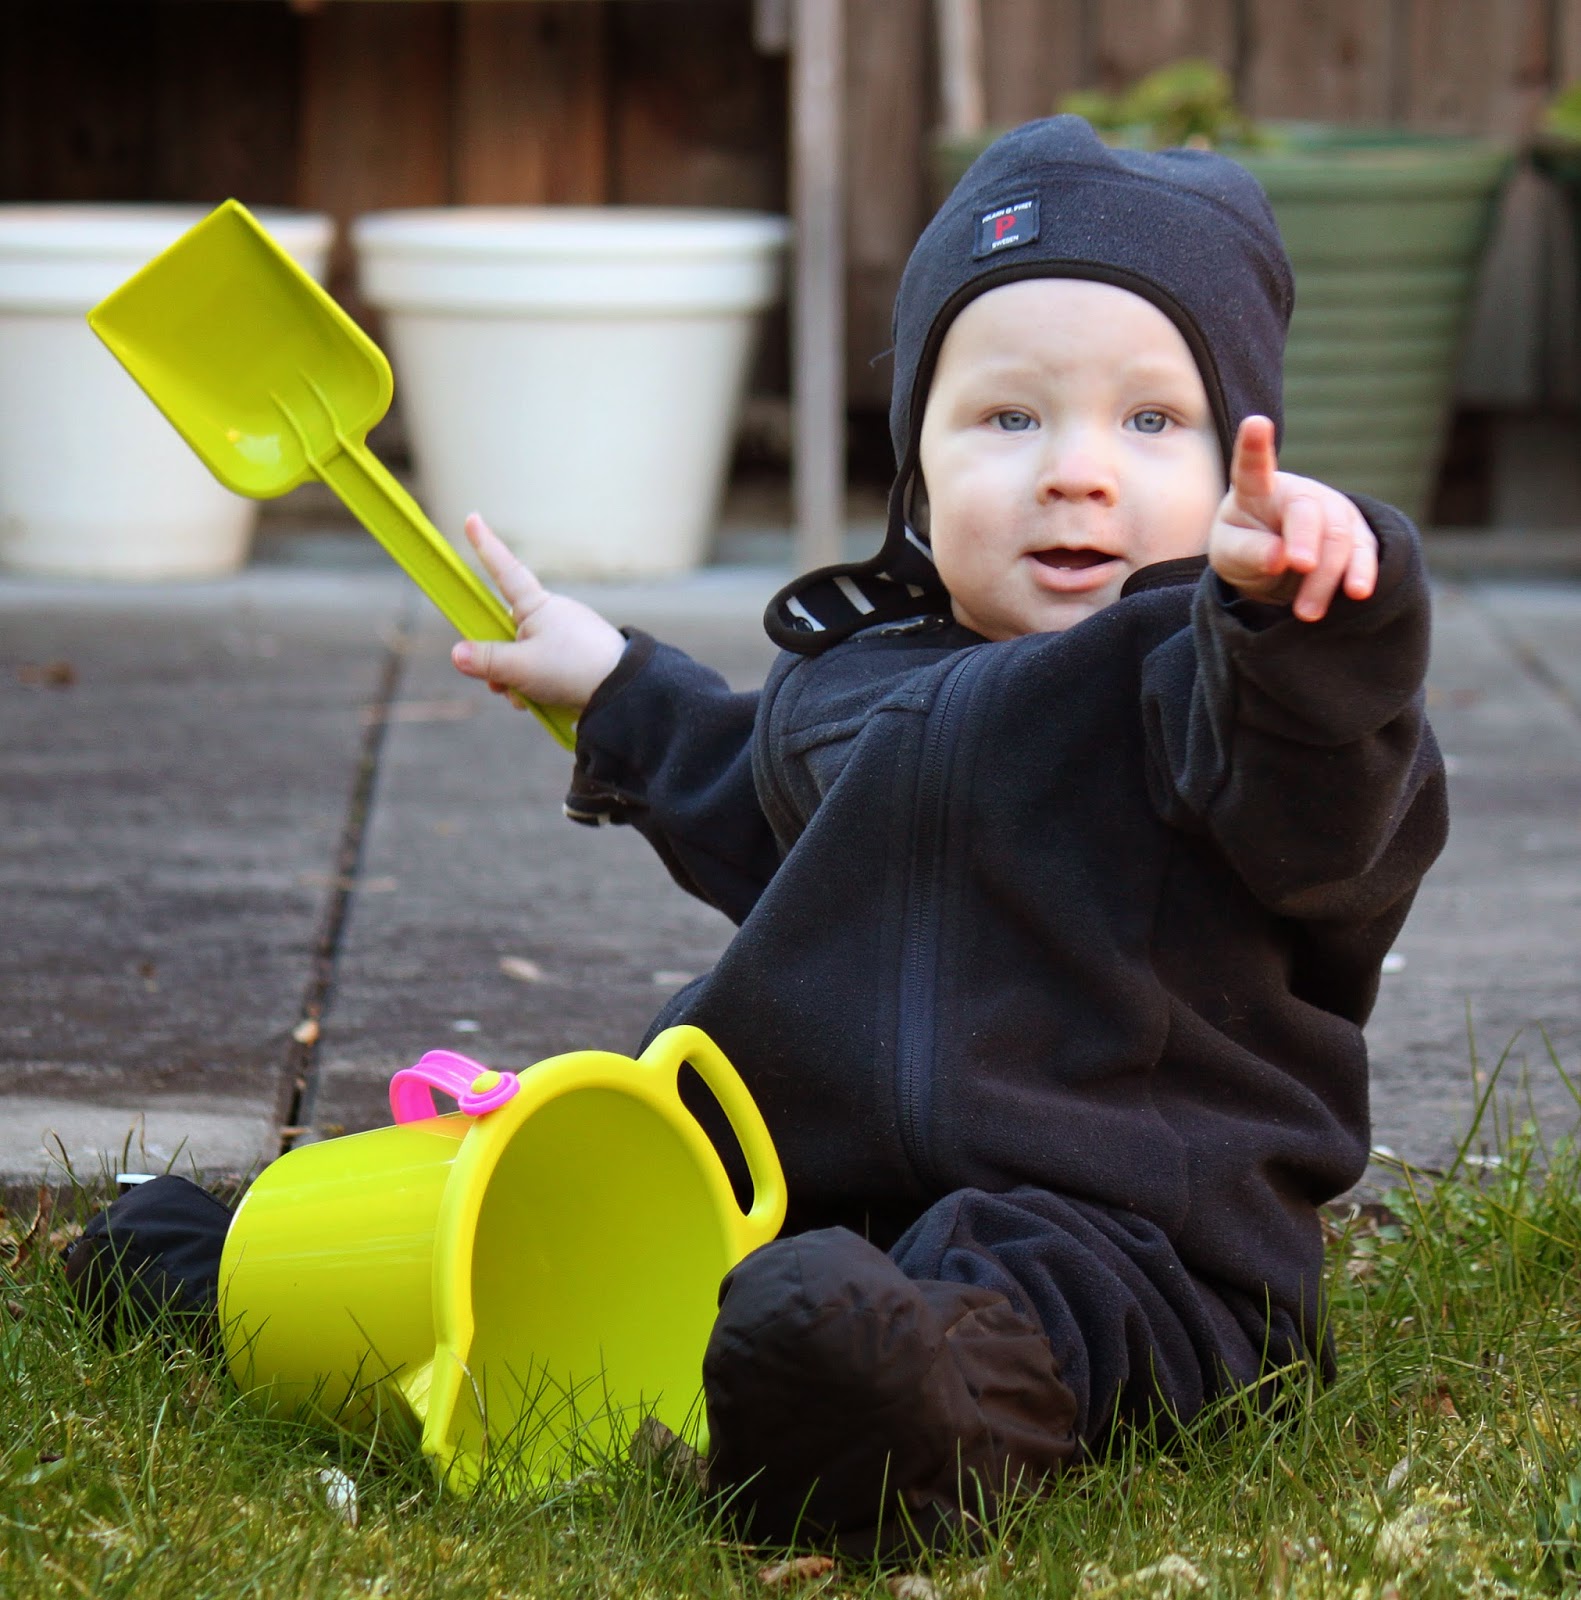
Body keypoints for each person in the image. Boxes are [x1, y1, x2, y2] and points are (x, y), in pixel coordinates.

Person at [67, 115, 1447, 1559]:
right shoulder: (861, 681)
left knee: (979, 1301)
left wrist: (1311, 633)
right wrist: (616, 688)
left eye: (1150, 421)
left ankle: (885, 1419)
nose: (1075, 471)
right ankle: (299, 1280)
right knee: (587, 1184)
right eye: (1007, 417)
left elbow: (1328, 821)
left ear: (1244, 464)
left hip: (1127, 1232)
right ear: (913, 460)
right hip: (799, 1180)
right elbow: (763, 805)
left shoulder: (1217, 695)